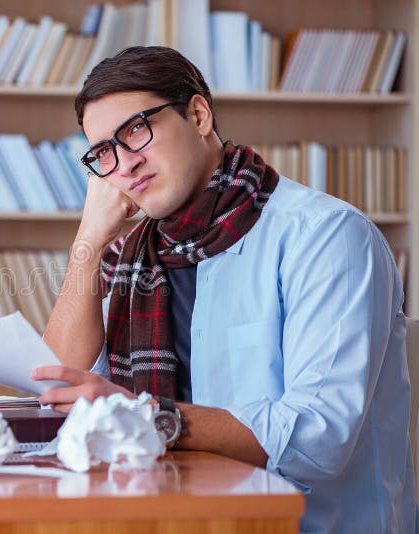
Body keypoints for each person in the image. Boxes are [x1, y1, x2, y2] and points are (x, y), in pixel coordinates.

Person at [32, 46, 416, 534]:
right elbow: (62, 387)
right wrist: (87, 243)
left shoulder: (326, 235)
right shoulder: (134, 254)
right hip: (172, 517)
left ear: (197, 114)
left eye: (135, 130)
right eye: (103, 153)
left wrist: (147, 417)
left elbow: (318, 439)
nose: (124, 165)